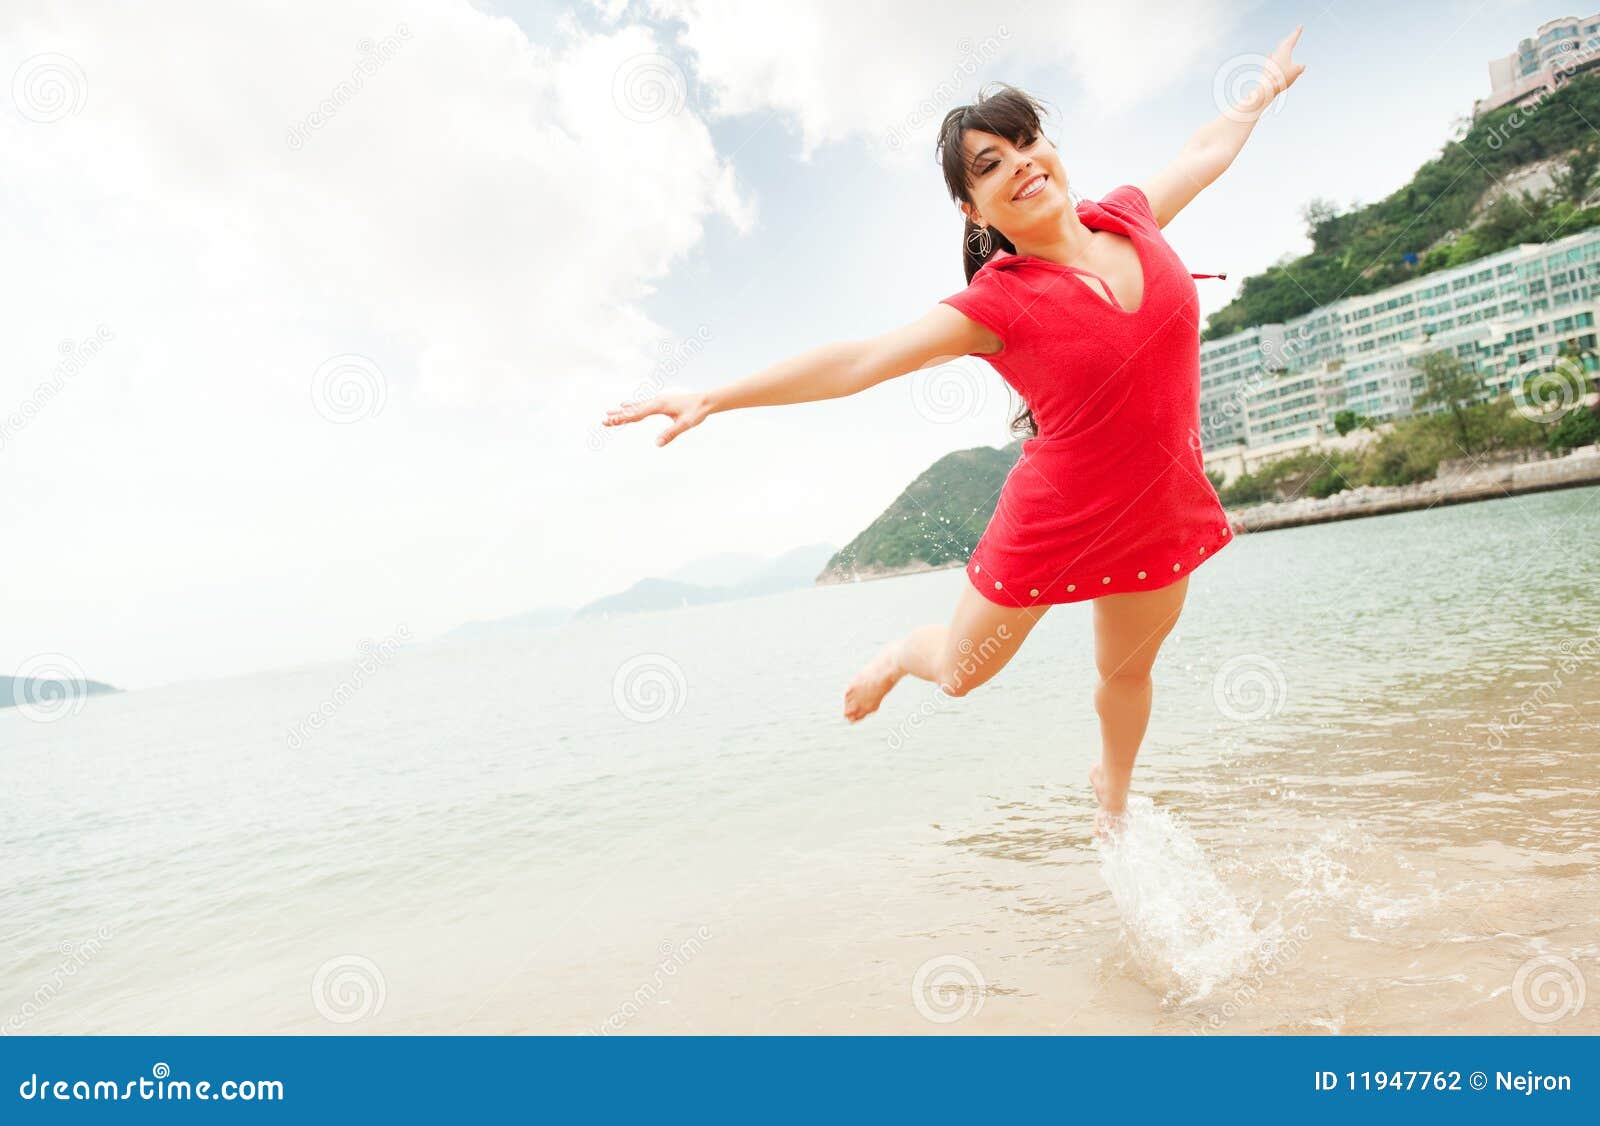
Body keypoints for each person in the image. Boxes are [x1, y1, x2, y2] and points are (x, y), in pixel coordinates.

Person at [603, 28, 1307, 837]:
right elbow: (859, 359)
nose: (1021, 163)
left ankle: (1111, 798)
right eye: (990, 165)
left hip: (1158, 506)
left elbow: (1204, 149)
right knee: (962, 675)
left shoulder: (1130, 217)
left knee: (1127, 673)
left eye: (1025, 141)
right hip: (1056, 519)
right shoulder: (998, 303)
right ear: (973, 209)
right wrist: (715, 397)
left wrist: (1259, 90)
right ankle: (904, 652)